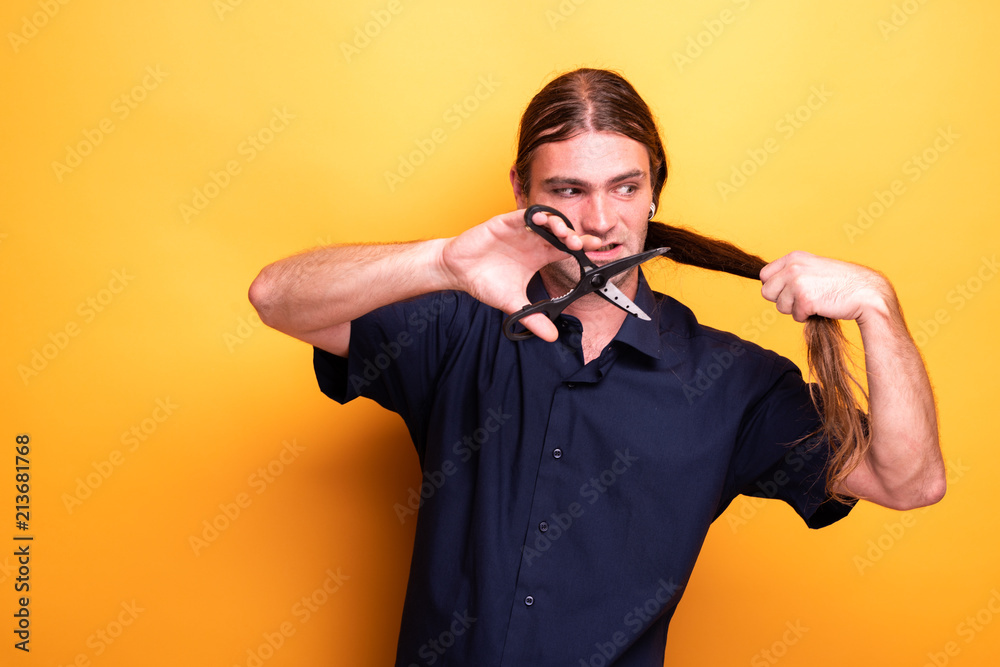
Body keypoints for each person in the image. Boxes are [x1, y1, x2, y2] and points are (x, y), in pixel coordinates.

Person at [248, 68, 945, 666]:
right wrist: (440, 262)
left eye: (624, 186)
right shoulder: (453, 323)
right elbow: (276, 298)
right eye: (570, 190)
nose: (602, 220)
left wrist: (878, 307)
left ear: (654, 191)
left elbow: (909, 479)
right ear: (522, 191)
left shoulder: (730, 384)